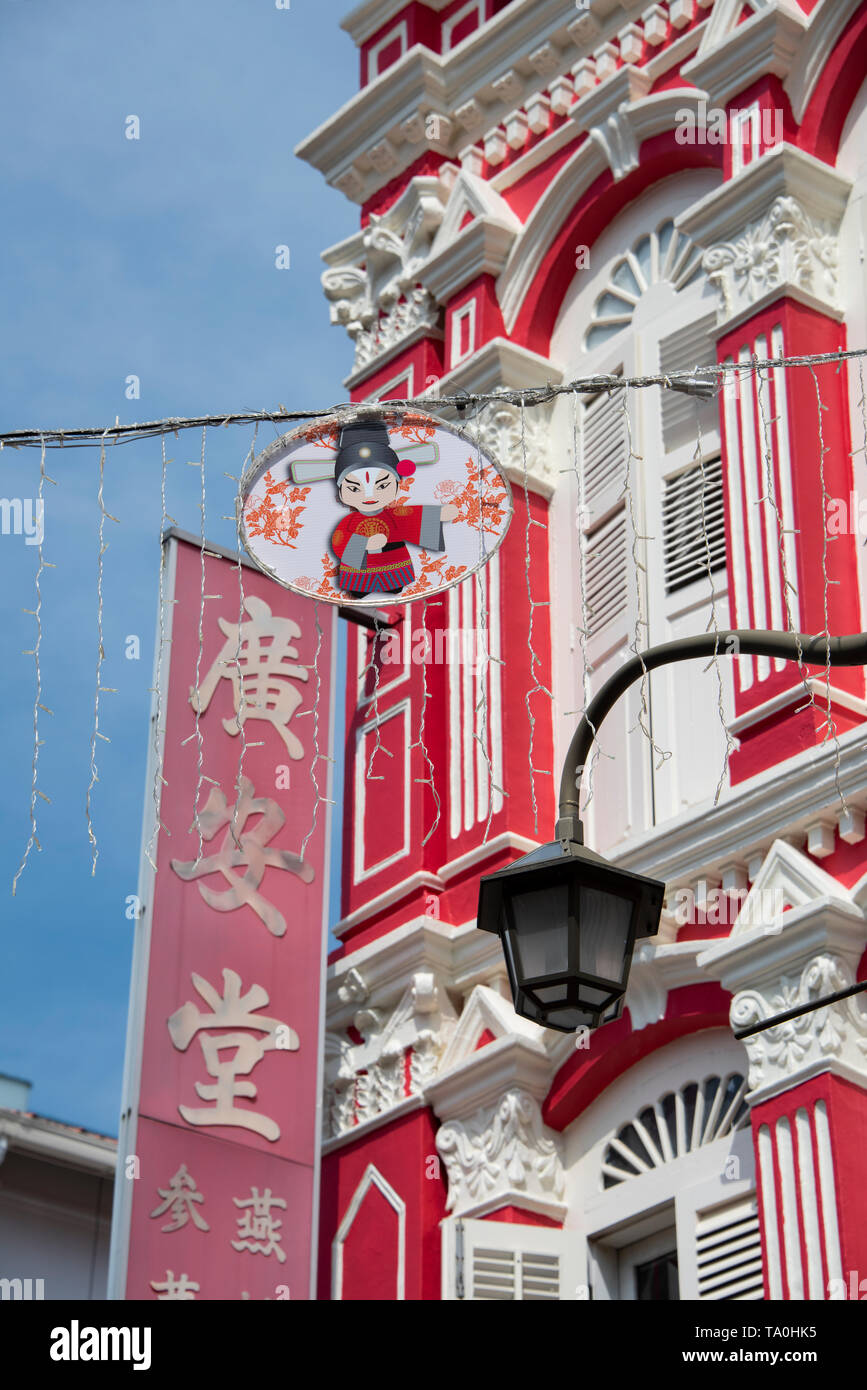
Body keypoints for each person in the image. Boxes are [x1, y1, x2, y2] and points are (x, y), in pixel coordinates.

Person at [329, 420, 457, 596]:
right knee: (358, 587)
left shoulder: (394, 515)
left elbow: (412, 518)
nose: (369, 496)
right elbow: (340, 540)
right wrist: (365, 544)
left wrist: (438, 515)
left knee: (394, 585)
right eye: (354, 488)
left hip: (392, 564)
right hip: (360, 570)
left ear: (396, 487)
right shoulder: (349, 521)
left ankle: (393, 584)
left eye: (381, 486)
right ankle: (358, 589)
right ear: (342, 493)